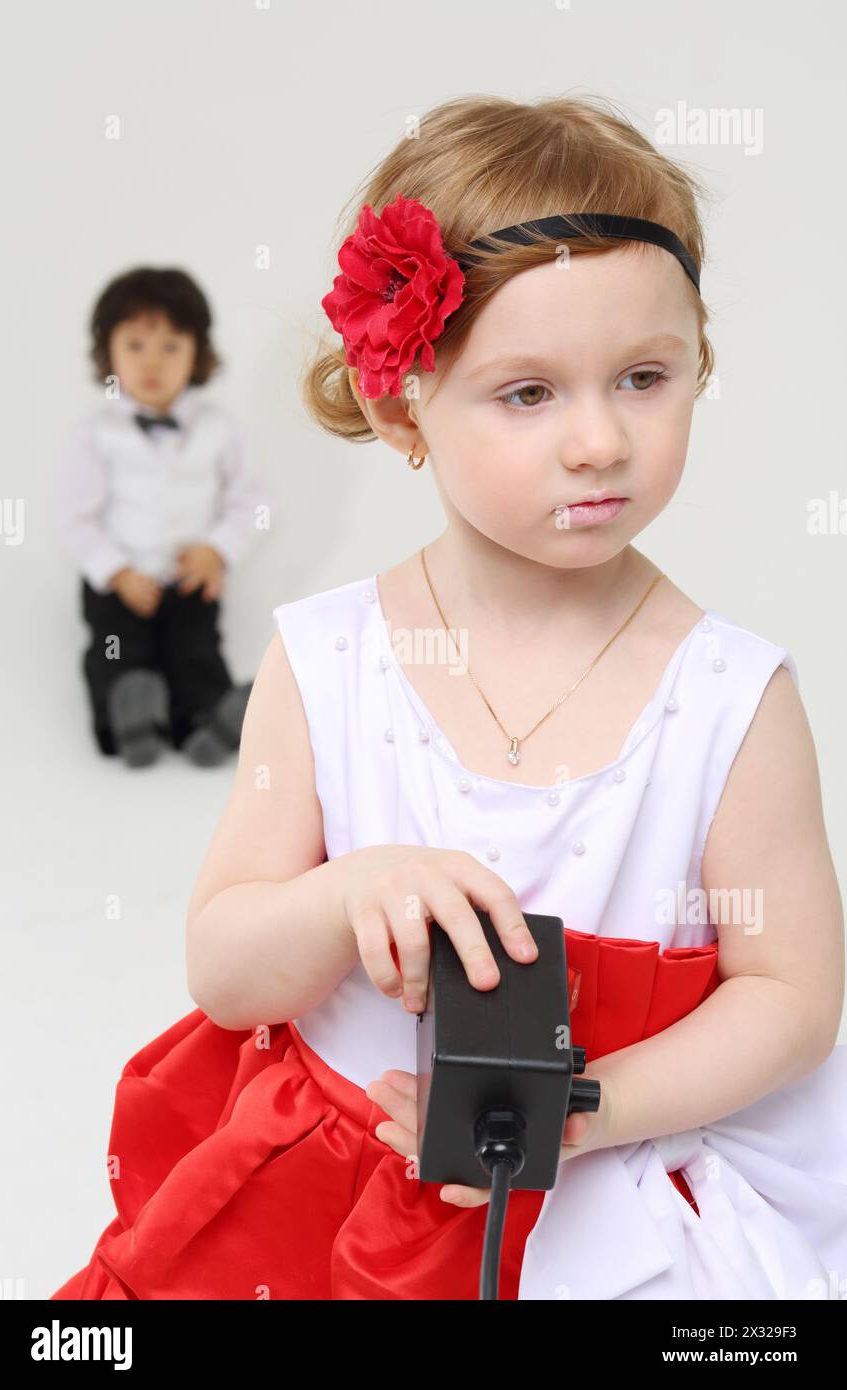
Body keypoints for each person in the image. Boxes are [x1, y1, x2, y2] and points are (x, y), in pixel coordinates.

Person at [50, 94, 847, 1301]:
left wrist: (587, 1109)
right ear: (399, 401)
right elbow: (224, 965)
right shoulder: (329, 662)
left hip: (613, 1191)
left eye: (641, 377)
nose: (596, 442)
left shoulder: (730, 697)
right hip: (341, 1188)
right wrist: (347, 892)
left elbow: (790, 995)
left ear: (697, 366)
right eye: (526, 393)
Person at [51, 266, 265, 767]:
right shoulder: (95, 434)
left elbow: (253, 502)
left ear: (198, 353)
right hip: (119, 579)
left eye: (171, 346)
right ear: (108, 354)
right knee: (115, 647)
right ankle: (125, 715)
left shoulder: (221, 429)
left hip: (189, 577)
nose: (153, 362)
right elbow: (73, 518)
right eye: (136, 345)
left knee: (196, 649)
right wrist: (116, 572)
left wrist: (218, 550)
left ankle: (204, 720)